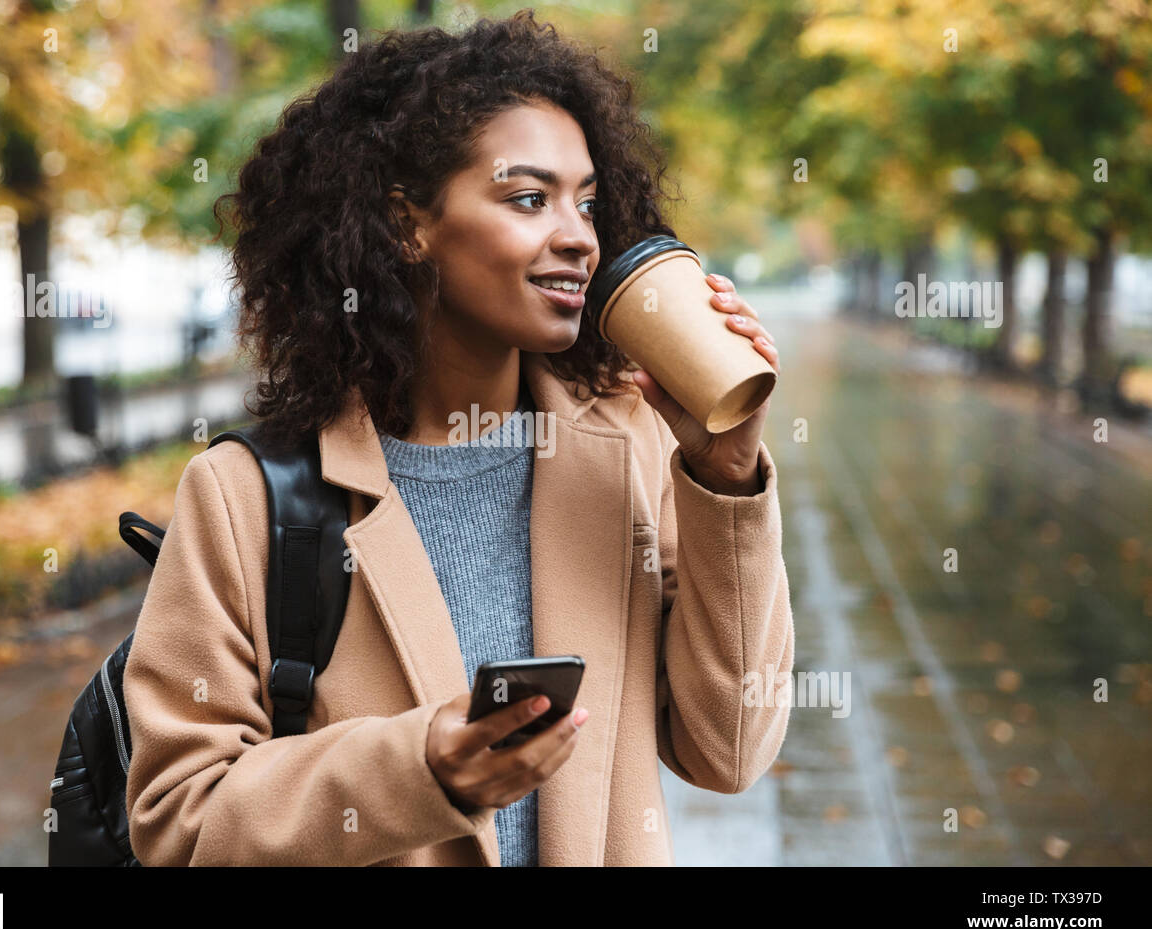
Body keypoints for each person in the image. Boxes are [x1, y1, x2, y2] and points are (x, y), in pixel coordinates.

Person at [123, 8, 793, 867]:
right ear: (408, 223)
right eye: (528, 198)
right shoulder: (247, 495)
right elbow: (178, 822)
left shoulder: (634, 453)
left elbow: (729, 750)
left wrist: (726, 476)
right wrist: (421, 772)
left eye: (586, 203)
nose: (579, 236)